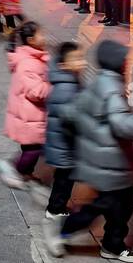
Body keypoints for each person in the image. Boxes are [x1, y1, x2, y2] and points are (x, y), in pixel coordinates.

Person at [44, 40, 133, 262]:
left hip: (111, 163)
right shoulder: (112, 88)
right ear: (118, 63)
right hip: (110, 166)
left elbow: (72, 111)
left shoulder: (100, 81)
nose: (129, 63)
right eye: (126, 60)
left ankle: (112, 245)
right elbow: (121, 125)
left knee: (122, 207)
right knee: (102, 207)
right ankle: (63, 231)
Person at [0, 21, 52, 191]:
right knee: (34, 149)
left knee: (33, 147)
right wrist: (54, 87)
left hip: (31, 115)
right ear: (31, 40)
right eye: (40, 34)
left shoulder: (35, 58)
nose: (44, 37)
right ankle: (15, 169)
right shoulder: (29, 63)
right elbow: (35, 92)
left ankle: (25, 171)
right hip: (29, 115)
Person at [40, 40, 83, 222]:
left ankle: (57, 205)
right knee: (64, 180)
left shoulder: (66, 81)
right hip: (65, 145)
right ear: (63, 64)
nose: (82, 62)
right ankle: (55, 209)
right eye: (76, 59)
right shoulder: (67, 88)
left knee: (63, 178)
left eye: (81, 58)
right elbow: (70, 118)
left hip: (62, 144)